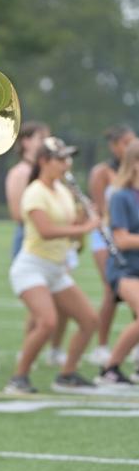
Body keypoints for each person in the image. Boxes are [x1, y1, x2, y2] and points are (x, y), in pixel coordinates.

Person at [4, 137, 99, 394]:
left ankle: (67, 374)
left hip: (56, 268)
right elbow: (46, 231)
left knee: (89, 320)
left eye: (68, 159)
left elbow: (71, 228)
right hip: (31, 267)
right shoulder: (35, 191)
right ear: (44, 161)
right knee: (47, 322)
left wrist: (85, 215)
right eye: (61, 159)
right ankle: (18, 378)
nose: (66, 164)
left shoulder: (62, 190)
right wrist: (85, 227)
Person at [86, 125, 137, 366]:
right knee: (112, 290)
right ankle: (102, 346)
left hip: (127, 234)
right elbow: (101, 210)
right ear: (115, 145)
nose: (128, 146)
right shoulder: (103, 172)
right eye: (125, 143)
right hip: (106, 235)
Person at [96, 139, 139, 385]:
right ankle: (110, 367)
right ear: (134, 164)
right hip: (125, 270)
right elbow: (121, 239)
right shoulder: (121, 196)